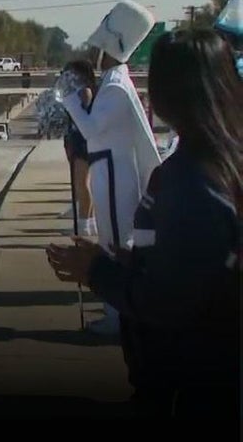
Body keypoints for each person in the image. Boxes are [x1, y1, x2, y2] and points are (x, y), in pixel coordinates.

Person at [47, 28, 242, 418]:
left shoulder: (191, 182)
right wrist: (135, 263)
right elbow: (194, 267)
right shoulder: (214, 161)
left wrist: (99, 271)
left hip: (191, 385)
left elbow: (171, 300)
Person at [59, 0, 162, 336]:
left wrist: (72, 101)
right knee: (109, 241)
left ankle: (119, 317)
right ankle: (114, 313)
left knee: (117, 244)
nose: (94, 51)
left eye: (100, 45)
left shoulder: (117, 86)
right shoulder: (113, 81)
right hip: (107, 172)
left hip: (116, 175)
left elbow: (91, 129)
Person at [60, 59, 97, 237]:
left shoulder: (85, 90)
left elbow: (84, 112)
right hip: (77, 139)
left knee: (83, 184)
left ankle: (84, 227)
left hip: (83, 142)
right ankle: (86, 221)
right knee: (79, 183)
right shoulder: (77, 90)